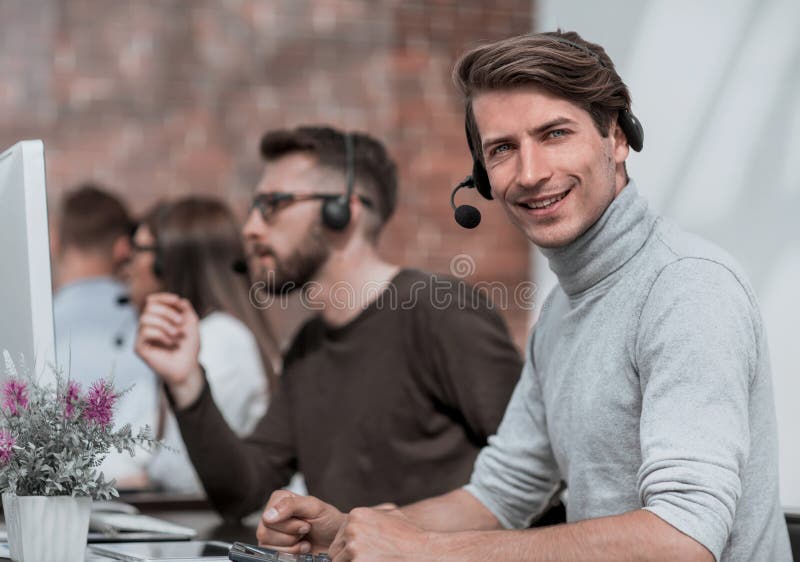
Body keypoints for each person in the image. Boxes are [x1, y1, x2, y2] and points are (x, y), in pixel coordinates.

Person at [255, 32, 792, 561]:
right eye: (503, 149)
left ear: (618, 138)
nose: (531, 173)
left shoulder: (687, 288)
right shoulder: (564, 309)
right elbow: (500, 494)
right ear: (482, 178)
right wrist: (349, 532)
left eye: (555, 134)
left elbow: (684, 541)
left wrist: (430, 552)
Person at [134, 126, 523, 519]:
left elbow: (536, 477)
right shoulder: (309, 345)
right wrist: (186, 383)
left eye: (272, 204)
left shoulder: (440, 311)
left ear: (342, 209)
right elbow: (243, 493)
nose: (250, 228)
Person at [128, 197, 276, 493]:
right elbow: (131, 439)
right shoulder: (183, 340)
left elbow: (185, 474)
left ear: (166, 261)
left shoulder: (222, 339)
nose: (126, 264)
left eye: (138, 251)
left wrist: (142, 474)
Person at [53, 184, 159, 487]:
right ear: (124, 248)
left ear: (54, 240)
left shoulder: (31, 326)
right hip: (146, 502)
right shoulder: (155, 323)